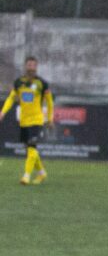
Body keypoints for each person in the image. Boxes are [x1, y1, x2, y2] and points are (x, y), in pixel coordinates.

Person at [2, 56, 54, 185]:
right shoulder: (19, 82)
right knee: (30, 150)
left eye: (33, 65)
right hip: (24, 121)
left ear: (36, 67)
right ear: (25, 66)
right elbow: (11, 98)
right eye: (29, 65)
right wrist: (2, 112)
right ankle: (42, 173)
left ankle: (26, 176)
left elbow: (49, 102)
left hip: (36, 120)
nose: (31, 68)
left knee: (31, 148)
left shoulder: (42, 83)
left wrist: (50, 118)